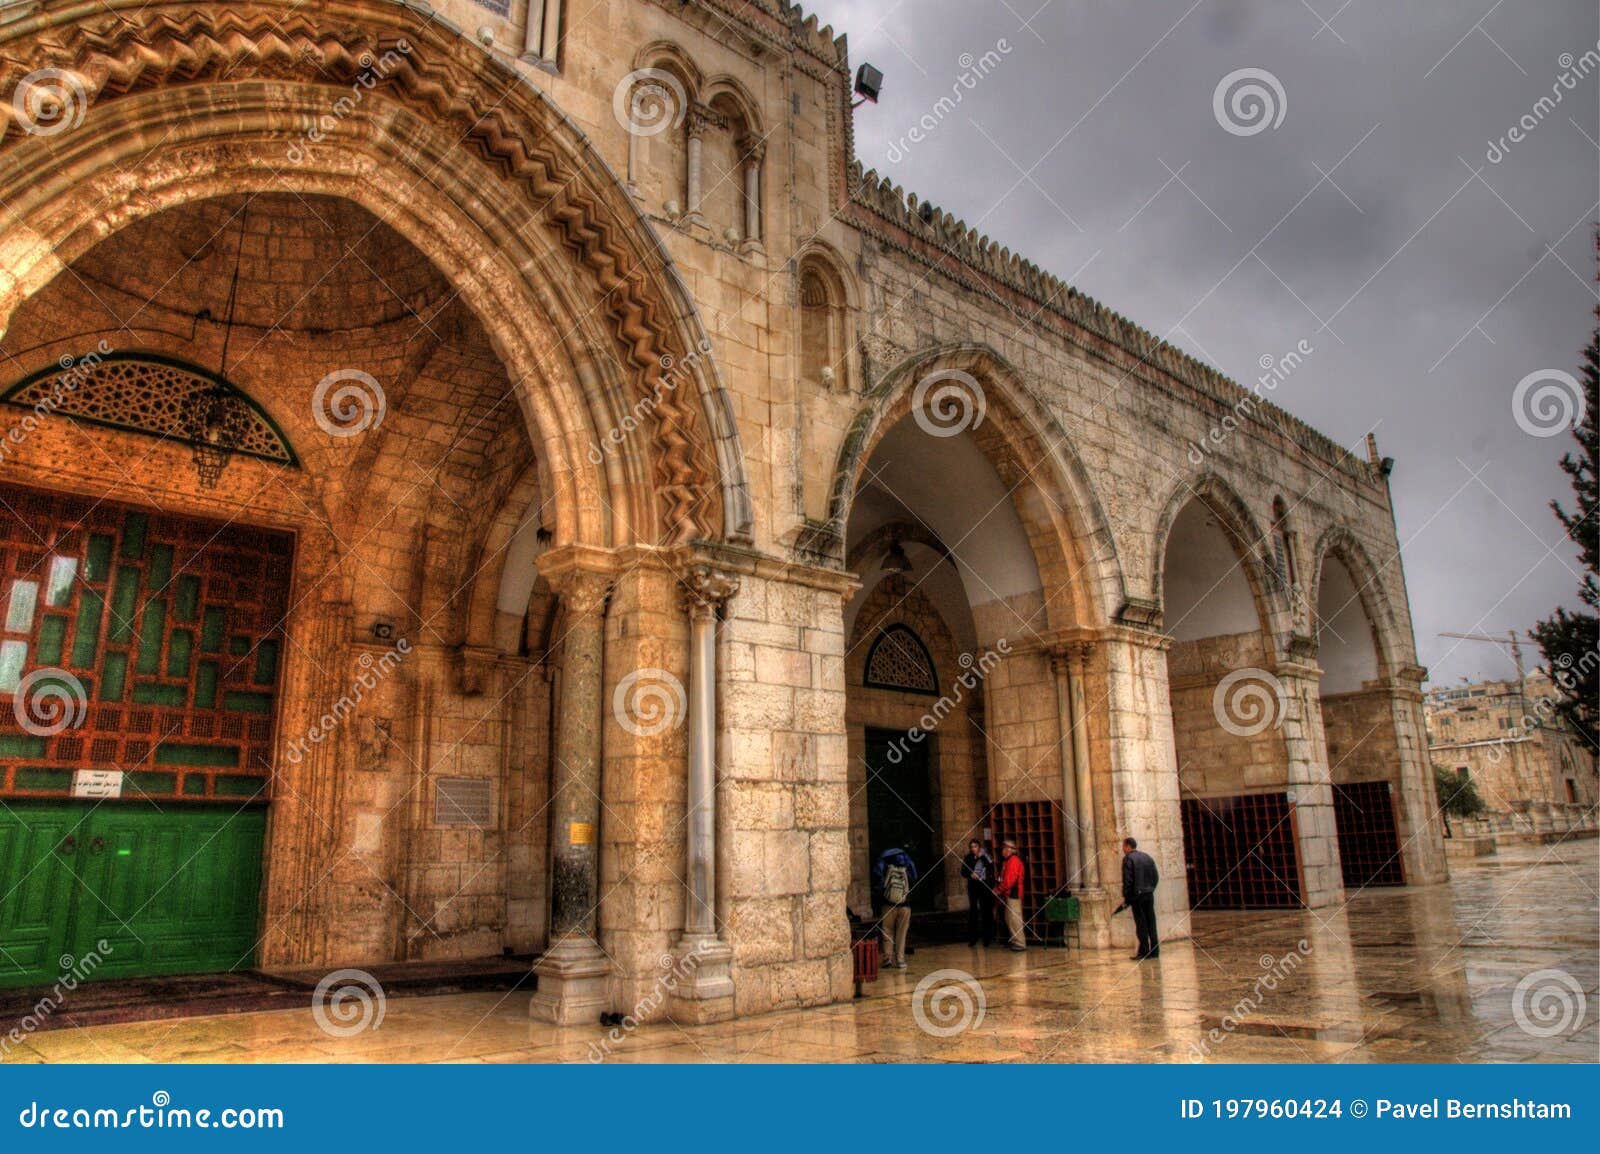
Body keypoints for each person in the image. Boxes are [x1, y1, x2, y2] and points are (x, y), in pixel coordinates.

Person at [873, 846, 917, 969]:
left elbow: (879, 885)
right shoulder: (907, 869)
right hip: (905, 906)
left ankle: (887, 958)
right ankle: (900, 960)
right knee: (901, 934)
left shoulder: (885, 868)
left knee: (887, 931)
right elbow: (914, 879)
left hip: (888, 905)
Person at [1121, 836, 1160, 960]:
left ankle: (1144, 951)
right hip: (1149, 894)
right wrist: (1151, 888)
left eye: (1123, 846)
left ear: (1128, 846)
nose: (1123, 849)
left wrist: (1127, 897)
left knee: (1141, 924)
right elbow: (1155, 876)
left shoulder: (1128, 859)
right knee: (1151, 922)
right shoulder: (1147, 857)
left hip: (1137, 896)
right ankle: (1155, 951)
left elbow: (1128, 881)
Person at [959, 839, 996, 947]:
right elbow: (963, 872)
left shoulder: (986, 856)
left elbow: (990, 868)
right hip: (973, 887)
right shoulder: (968, 857)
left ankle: (987, 938)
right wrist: (971, 874)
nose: (973, 849)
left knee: (986, 911)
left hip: (984, 886)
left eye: (975, 846)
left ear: (979, 847)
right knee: (973, 911)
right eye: (971, 847)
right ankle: (973, 939)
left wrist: (982, 857)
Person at [995, 839, 1027, 951]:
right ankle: (1014, 941)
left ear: (1008, 849)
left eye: (1003, 849)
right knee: (1009, 918)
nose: (1002, 851)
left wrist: (999, 890)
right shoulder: (1008, 861)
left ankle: (1020, 943)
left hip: (1014, 893)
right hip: (1009, 893)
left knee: (1014, 919)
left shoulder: (1013, 861)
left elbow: (1009, 880)